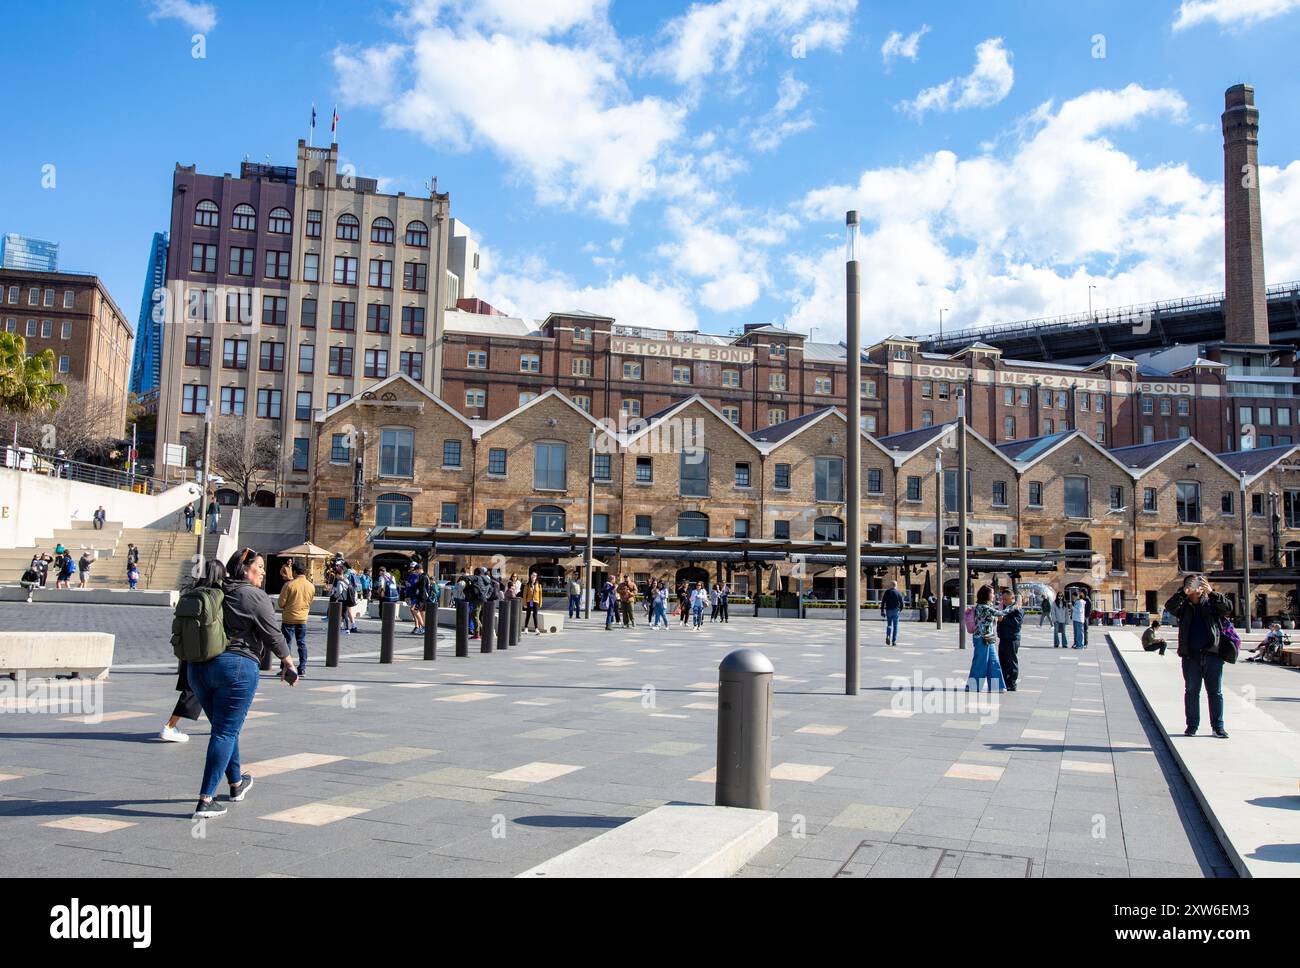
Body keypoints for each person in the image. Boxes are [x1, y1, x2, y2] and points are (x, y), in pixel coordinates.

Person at [188, 548, 297, 819]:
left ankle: (236, 784)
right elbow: (273, 635)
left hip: (198, 668)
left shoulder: (215, 588)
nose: (263, 572)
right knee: (224, 732)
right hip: (236, 667)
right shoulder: (253, 595)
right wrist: (288, 663)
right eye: (260, 566)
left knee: (224, 728)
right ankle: (206, 800)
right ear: (245, 569)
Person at [161, 560, 225, 743]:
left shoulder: (191, 592)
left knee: (203, 690)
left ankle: (219, 725)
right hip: (208, 651)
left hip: (188, 651)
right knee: (194, 691)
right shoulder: (217, 595)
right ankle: (169, 726)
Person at [1164, 575, 1232, 738]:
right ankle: (1192, 726)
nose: (1196, 587)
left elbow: (1227, 608)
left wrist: (1212, 593)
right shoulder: (1184, 606)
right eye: (1192, 583)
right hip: (1191, 656)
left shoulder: (1211, 603)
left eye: (1200, 583)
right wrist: (1183, 593)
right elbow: (1169, 606)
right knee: (1191, 691)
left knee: (1215, 692)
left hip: (1213, 655)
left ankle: (1218, 727)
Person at [966, 585, 1007, 693]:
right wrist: (1014, 606)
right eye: (992, 593)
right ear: (986, 594)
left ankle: (996, 686)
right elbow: (1000, 614)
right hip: (981, 638)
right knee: (980, 662)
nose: (994, 595)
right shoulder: (983, 607)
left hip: (989, 637)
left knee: (993, 661)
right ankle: (973, 686)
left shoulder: (988, 606)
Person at [278, 560, 314, 679]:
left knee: (286, 643)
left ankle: (285, 667)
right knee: (301, 643)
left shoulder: (289, 585)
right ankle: (302, 667)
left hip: (289, 618)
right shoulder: (311, 586)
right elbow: (310, 602)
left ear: (294, 572)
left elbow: (281, 603)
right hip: (302, 619)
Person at [995, 589, 1023, 691]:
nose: (1004, 601)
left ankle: (1011, 683)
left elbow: (1017, 623)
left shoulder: (1016, 608)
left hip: (1012, 639)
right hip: (1003, 638)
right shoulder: (1004, 608)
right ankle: (1005, 682)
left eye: (1006, 599)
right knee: (1003, 661)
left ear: (1012, 598)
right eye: (1003, 599)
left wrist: (1004, 619)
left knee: (1011, 662)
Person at [881, 580, 904, 647]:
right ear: (896, 585)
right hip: (896, 611)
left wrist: (882, 611)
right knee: (895, 626)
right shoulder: (898, 593)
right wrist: (900, 610)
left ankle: (888, 636)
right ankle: (894, 641)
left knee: (889, 625)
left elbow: (883, 602)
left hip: (888, 610)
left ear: (891, 585)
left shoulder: (887, 592)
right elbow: (902, 603)